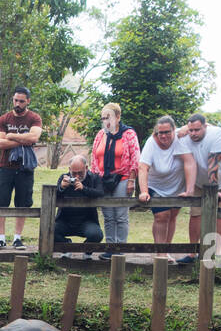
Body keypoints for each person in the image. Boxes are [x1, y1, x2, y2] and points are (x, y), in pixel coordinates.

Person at [137, 115, 196, 260]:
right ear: (155, 133)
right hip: (156, 186)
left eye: (167, 132)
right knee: (161, 216)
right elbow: (143, 167)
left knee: (172, 216)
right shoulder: (151, 143)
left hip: (176, 185)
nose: (163, 136)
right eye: (160, 133)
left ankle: (166, 249)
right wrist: (144, 191)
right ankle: (160, 253)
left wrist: (189, 189)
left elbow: (190, 163)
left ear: (174, 130)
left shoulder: (180, 139)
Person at [178, 113, 221, 264]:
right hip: (198, 181)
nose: (193, 134)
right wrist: (182, 129)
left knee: (220, 215)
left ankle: (216, 252)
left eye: (197, 130)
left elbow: (213, 164)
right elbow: (165, 132)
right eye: (190, 130)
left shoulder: (218, 135)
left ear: (205, 126)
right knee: (195, 214)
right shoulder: (185, 136)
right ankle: (192, 252)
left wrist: (213, 192)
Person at [0, 86, 42, 249]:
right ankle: (0, 238)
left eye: (21, 101)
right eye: (15, 100)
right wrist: (24, 140)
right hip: (6, 167)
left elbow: (34, 137)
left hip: (25, 168)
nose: (17, 103)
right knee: (0, 202)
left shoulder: (34, 118)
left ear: (28, 101)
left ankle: (17, 238)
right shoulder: (4, 119)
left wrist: (12, 135)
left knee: (23, 203)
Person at [89, 102, 140, 256]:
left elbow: (135, 158)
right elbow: (94, 157)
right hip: (103, 179)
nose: (106, 121)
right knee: (108, 216)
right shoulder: (101, 134)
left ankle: (120, 248)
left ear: (118, 117)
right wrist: (96, 177)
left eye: (108, 117)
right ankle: (110, 248)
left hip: (122, 178)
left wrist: (132, 180)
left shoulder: (128, 133)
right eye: (103, 118)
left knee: (120, 215)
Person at [53, 154, 104, 252]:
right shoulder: (64, 178)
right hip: (65, 220)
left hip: (87, 221)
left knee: (97, 235)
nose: (77, 176)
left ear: (86, 168)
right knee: (49, 231)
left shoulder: (94, 178)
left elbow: (100, 193)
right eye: (74, 173)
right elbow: (54, 196)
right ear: (69, 169)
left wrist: (84, 189)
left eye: (80, 173)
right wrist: (62, 187)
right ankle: (66, 246)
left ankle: (85, 250)